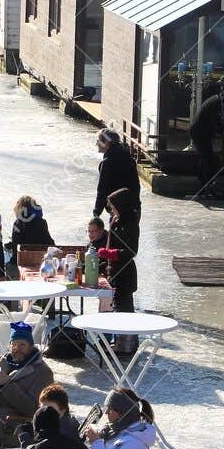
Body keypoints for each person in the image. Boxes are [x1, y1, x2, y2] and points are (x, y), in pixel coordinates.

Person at [82, 388, 156, 449]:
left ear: (123, 413)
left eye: (110, 409)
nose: (106, 412)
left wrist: (96, 443)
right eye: (106, 407)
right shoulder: (117, 429)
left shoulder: (132, 442)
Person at [103, 187, 141, 319]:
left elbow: (131, 251)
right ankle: (109, 339)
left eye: (114, 208)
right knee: (111, 313)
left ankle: (129, 339)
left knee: (126, 315)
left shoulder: (131, 224)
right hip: (112, 272)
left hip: (124, 275)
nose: (112, 211)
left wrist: (110, 254)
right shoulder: (115, 221)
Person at [93, 127, 141, 219]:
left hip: (118, 211)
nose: (96, 144)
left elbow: (102, 190)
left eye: (98, 141)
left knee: (117, 233)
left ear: (106, 143)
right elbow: (136, 185)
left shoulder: (107, 163)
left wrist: (96, 213)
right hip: (134, 208)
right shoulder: (129, 158)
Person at [190, 83, 224, 197]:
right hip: (199, 133)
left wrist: (222, 128)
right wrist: (221, 130)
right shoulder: (215, 103)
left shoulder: (215, 100)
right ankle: (205, 187)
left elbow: (216, 119)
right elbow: (212, 120)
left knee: (207, 160)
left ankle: (205, 187)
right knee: (208, 160)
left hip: (202, 132)